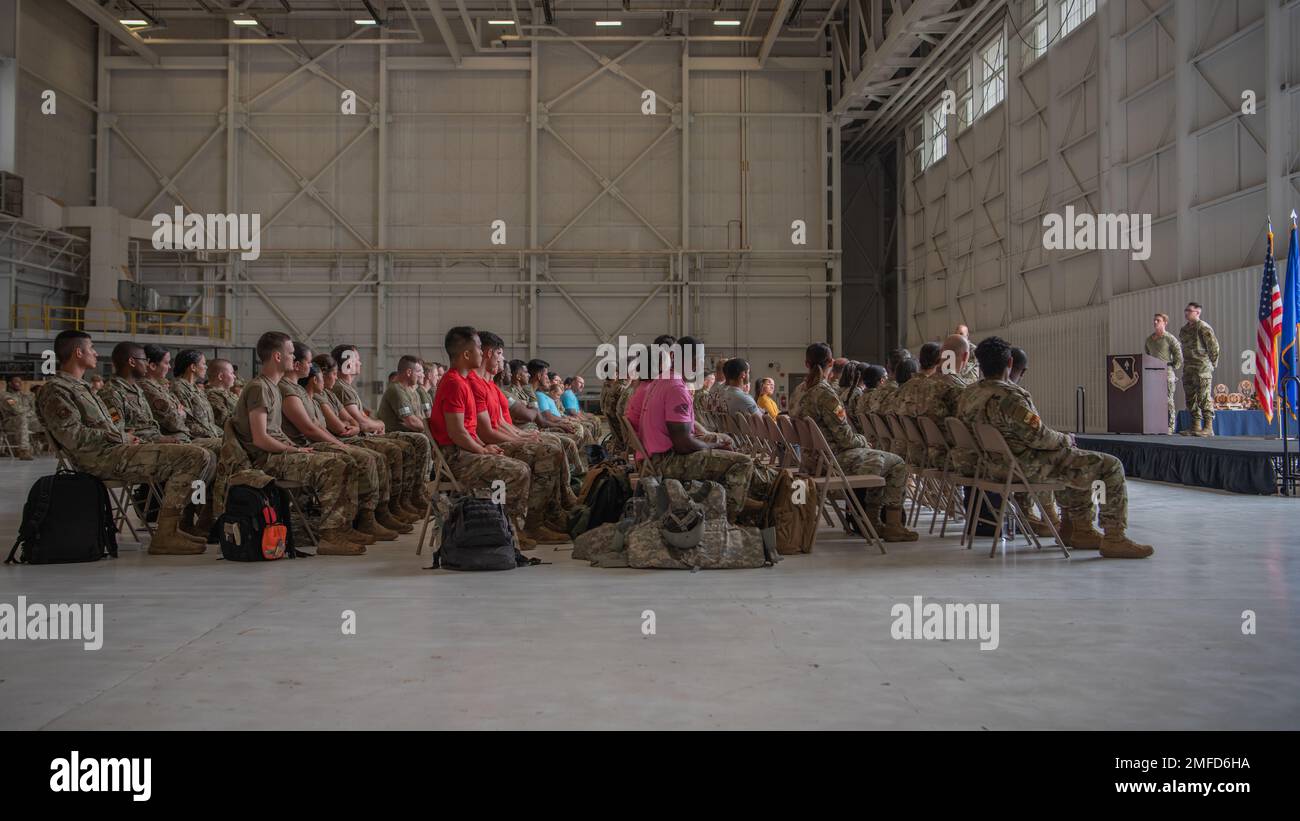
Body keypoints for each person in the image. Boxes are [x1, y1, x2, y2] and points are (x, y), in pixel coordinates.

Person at [957, 336, 1152, 558]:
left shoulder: (969, 394)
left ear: (980, 364)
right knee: (1110, 465)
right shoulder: (1009, 396)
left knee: (1073, 462)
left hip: (992, 467)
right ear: (1009, 363)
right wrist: (1066, 439)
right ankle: (1114, 537)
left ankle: (1077, 529)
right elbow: (1039, 438)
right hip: (1023, 467)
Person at [37, 331, 215, 554]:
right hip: (98, 458)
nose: (95, 353)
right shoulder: (56, 389)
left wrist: (127, 438)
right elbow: (72, 436)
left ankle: (176, 527)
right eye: (91, 348)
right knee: (195, 456)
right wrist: (121, 437)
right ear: (78, 352)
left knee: (202, 454)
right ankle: (166, 534)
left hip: (114, 450)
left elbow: (108, 428)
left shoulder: (82, 387)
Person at [230, 332, 364, 555]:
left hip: (278, 453)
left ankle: (342, 528)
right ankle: (331, 536)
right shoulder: (259, 388)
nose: (294, 358)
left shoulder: (272, 386)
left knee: (346, 461)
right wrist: (294, 449)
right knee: (334, 465)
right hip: (266, 459)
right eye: (291, 353)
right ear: (278, 357)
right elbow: (260, 438)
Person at [631, 336, 770, 522]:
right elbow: (683, 444)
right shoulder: (676, 388)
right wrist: (714, 446)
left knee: (722, 445)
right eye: (699, 359)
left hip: (654, 456)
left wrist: (714, 443)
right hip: (666, 461)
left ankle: (728, 501)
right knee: (742, 462)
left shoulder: (661, 381)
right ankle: (726, 517)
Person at [792, 343, 917, 541]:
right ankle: (890, 525)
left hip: (810, 460)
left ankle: (872, 522)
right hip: (833, 461)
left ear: (806, 363)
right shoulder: (825, 393)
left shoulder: (798, 391)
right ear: (831, 362)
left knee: (880, 459)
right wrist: (864, 441)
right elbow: (845, 439)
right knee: (897, 463)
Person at [280, 343, 404, 541]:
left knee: (373, 456)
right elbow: (313, 429)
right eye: (309, 362)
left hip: (313, 444)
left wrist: (345, 438)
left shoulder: (301, 391)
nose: (311, 367)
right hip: (300, 448)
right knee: (359, 459)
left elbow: (322, 425)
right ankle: (342, 526)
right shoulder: (290, 390)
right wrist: (341, 444)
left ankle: (367, 517)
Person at [429, 327, 535, 542]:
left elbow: (468, 429)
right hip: (455, 457)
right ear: (467, 354)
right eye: (478, 348)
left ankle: (504, 525)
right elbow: (457, 433)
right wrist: (482, 450)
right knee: (518, 471)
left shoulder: (461, 381)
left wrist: (484, 447)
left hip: (464, 449)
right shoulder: (454, 383)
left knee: (517, 465)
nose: (482, 352)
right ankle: (510, 531)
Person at [471, 331, 575, 543]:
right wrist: (520, 439)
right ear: (489, 353)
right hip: (484, 446)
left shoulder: (489, 386)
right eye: (500, 354)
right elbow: (486, 431)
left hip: (494, 439)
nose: (503, 361)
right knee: (548, 451)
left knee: (552, 443)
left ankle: (552, 509)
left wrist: (523, 435)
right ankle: (533, 524)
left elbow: (502, 422)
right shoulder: (474, 383)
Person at [309, 353, 418, 527]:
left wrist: (356, 426)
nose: (335, 378)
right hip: (340, 439)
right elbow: (342, 426)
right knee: (377, 455)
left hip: (351, 435)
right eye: (333, 374)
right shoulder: (326, 392)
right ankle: (367, 516)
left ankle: (390, 507)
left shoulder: (330, 393)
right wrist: (358, 427)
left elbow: (353, 421)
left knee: (395, 450)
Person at [330, 343, 431, 517]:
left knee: (411, 443)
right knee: (401, 447)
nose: (360, 363)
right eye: (357, 359)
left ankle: (407, 499)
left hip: (362, 434)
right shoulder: (341, 388)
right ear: (347, 363)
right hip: (352, 438)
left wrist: (375, 424)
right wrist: (379, 424)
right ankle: (387, 508)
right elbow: (363, 423)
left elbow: (362, 421)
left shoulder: (347, 388)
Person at [100, 343, 182, 445]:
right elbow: (119, 435)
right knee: (195, 452)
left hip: (152, 440)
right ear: (132, 362)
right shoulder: (111, 393)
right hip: (138, 446)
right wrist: (157, 441)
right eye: (144, 360)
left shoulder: (137, 389)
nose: (147, 364)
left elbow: (148, 427)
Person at [1178, 302, 1220, 437]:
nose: (1186, 313)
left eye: (1189, 310)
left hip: (1202, 368)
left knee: (1204, 397)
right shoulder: (1184, 330)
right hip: (1188, 368)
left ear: (1197, 312)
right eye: (1185, 310)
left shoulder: (1203, 327)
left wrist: (1212, 364)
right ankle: (1195, 426)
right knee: (1191, 398)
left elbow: (1214, 347)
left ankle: (1208, 427)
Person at [140, 345, 191, 440]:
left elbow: (186, 410)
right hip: (170, 438)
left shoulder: (159, 387)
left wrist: (179, 413)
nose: (170, 367)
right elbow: (173, 424)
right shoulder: (147, 388)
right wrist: (180, 414)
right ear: (153, 366)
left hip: (180, 437)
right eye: (166, 363)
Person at [171, 349, 224, 441]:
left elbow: (209, 424)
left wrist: (225, 435)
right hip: (195, 439)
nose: (206, 367)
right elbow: (187, 422)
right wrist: (213, 436)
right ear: (193, 367)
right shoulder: (179, 388)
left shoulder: (196, 389)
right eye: (203, 364)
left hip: (208, 436)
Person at [1146, 312, 1183, 435]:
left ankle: (1170, 426)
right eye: (1154, 320)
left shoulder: (1169, 338)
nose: (1155, 322)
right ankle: (1155, 426)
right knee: (1153, 400)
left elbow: (1178, 355)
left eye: (1158, 320)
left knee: (1168, 400)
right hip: (1153, 374)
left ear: (1165, 323)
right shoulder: (1149, 340)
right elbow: (1148, 355)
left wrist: (1172, 367)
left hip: (1166, 372)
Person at [1, 375, 34, 459]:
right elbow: (17, 410)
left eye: (20, 382)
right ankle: (24, 450)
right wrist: (28, 411)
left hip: (26, 419)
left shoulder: (24, 396)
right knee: (22, 418)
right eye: (16, 382)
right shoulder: (6, 396)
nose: (19, 384)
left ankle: (60, 449)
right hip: (8, 422)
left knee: (46, 420)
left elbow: (34, 409)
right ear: (10, 384)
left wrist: (27, 411)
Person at [206, 358, 239, 429]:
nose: (234, 376)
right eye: (231, 373)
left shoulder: (227, 393)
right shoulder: (212, 396)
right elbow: (224, 422)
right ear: (220, 376)